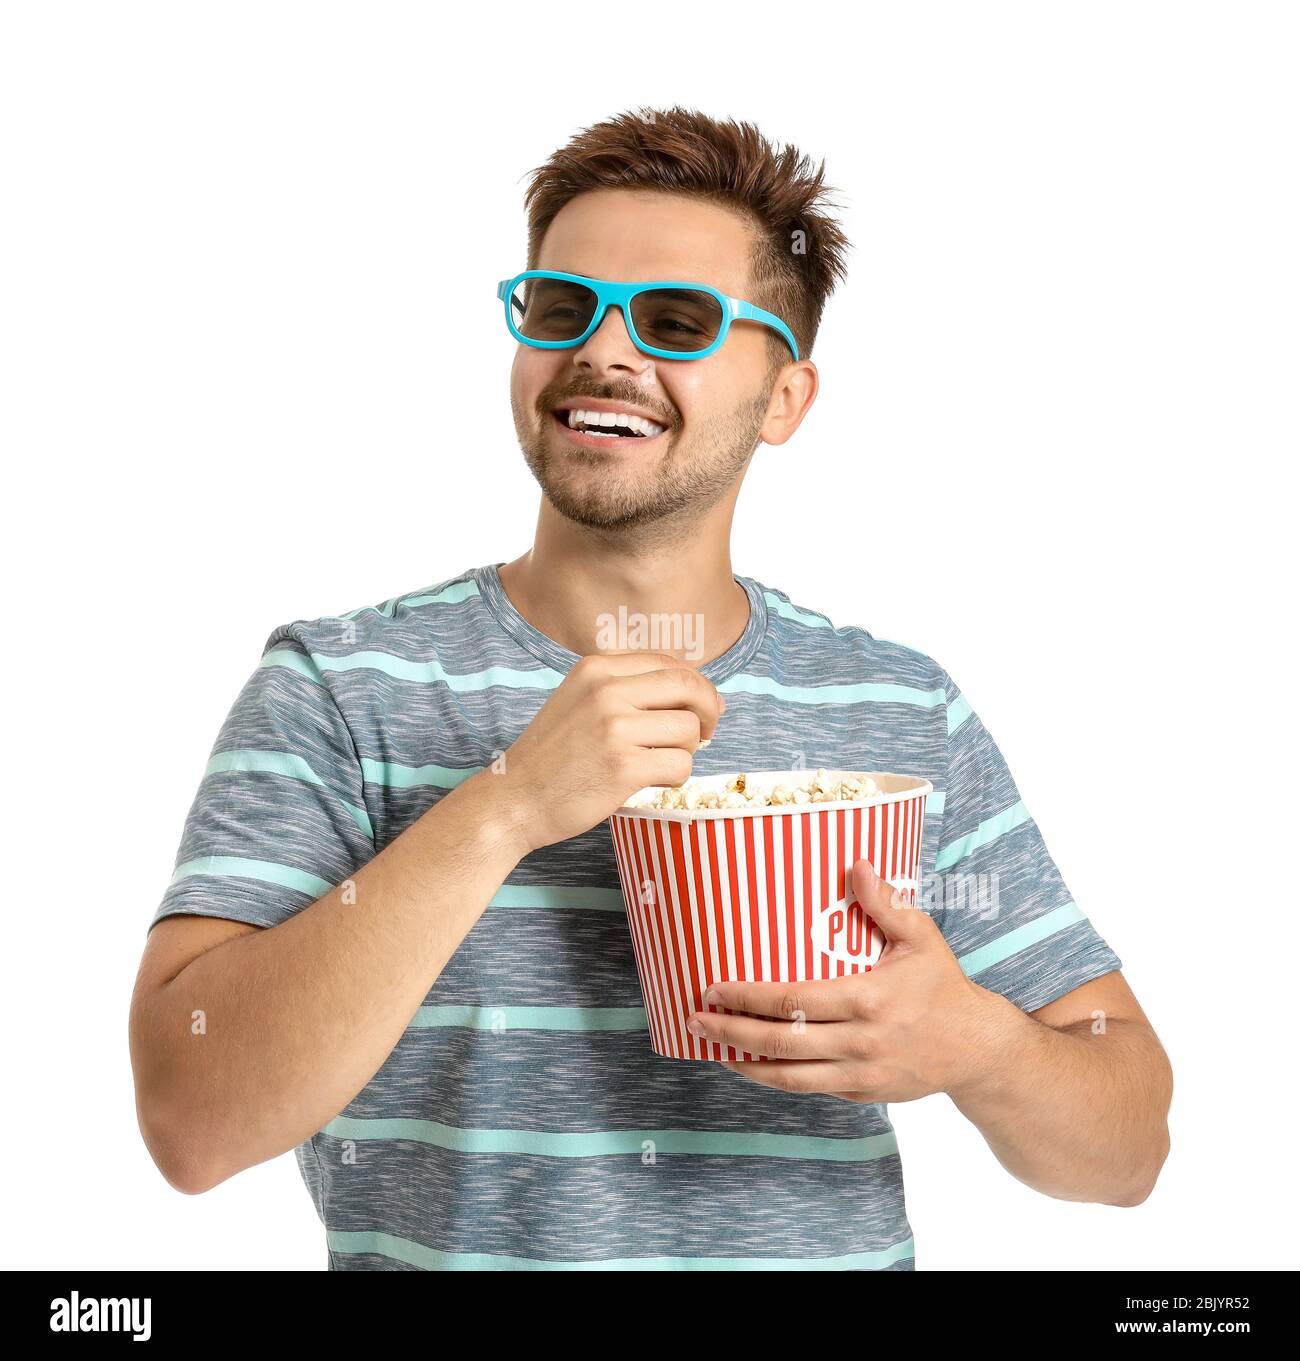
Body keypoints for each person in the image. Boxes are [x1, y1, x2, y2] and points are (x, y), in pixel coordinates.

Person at [129, 107, 1172, 1270]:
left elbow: (1129, 1151)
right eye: (562, 308)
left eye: (678, 321)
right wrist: (507, 804)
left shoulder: (897, 706)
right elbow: (190, 1115)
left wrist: (980, 1046)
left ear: (784, 400)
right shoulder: (339, 687)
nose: (607, 353)